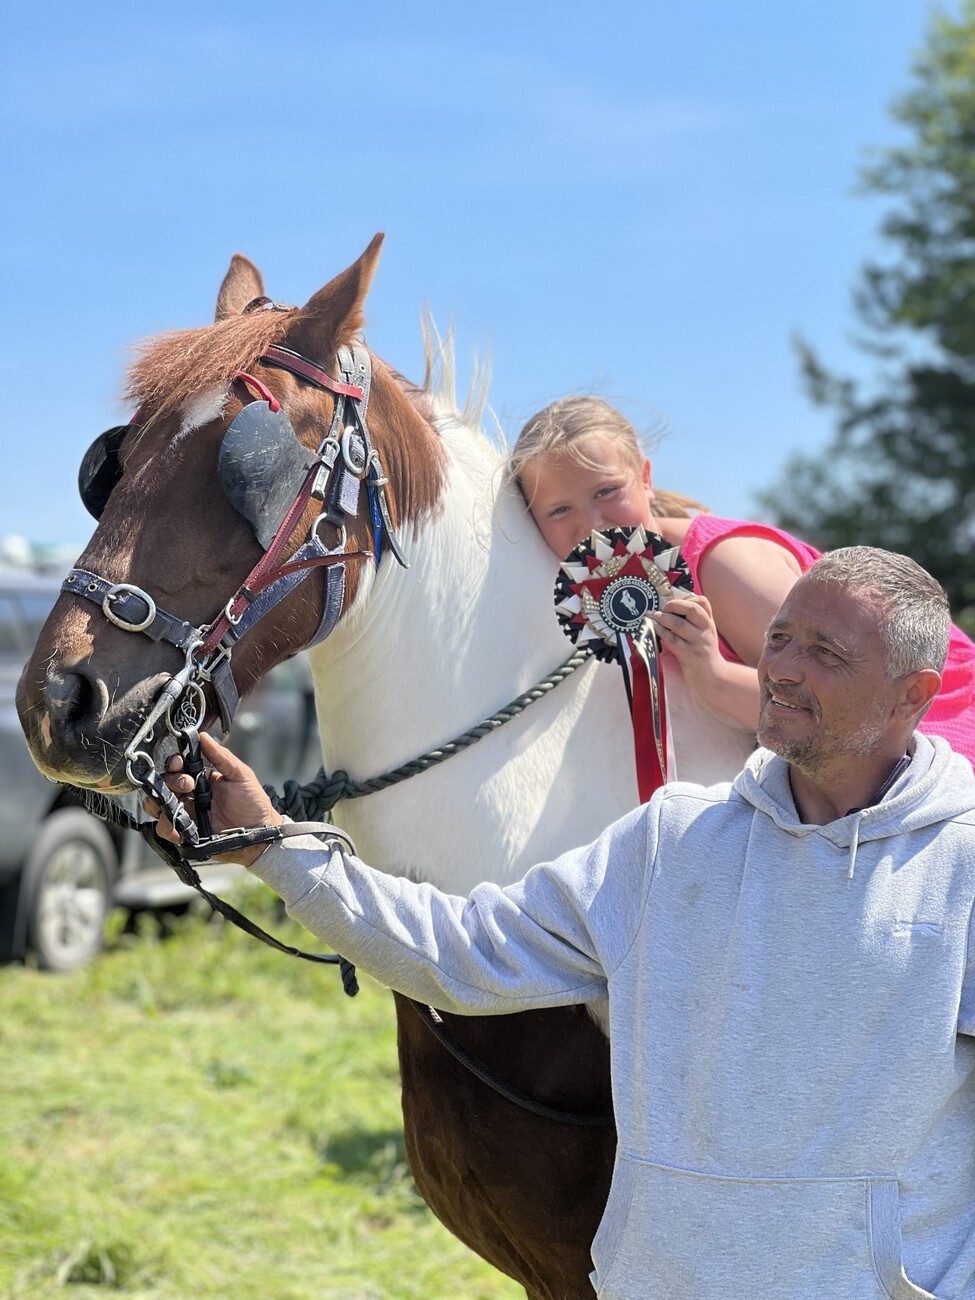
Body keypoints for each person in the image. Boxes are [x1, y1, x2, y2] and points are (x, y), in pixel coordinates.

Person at [152, 548, 975, 1298]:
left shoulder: (963, 868)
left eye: (825, 654)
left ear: (913, 695)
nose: (781, 670)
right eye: (782, 638)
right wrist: (273, 848)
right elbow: (463, 951)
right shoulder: (670, 842)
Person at [510, 394, 975, 767]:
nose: (591, 525)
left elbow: (834, 706)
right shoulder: (584, 597)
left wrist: (712, 676)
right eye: (559, 510)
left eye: (607, 491)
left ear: (645, 478)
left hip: (935, 726)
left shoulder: (724, 566)